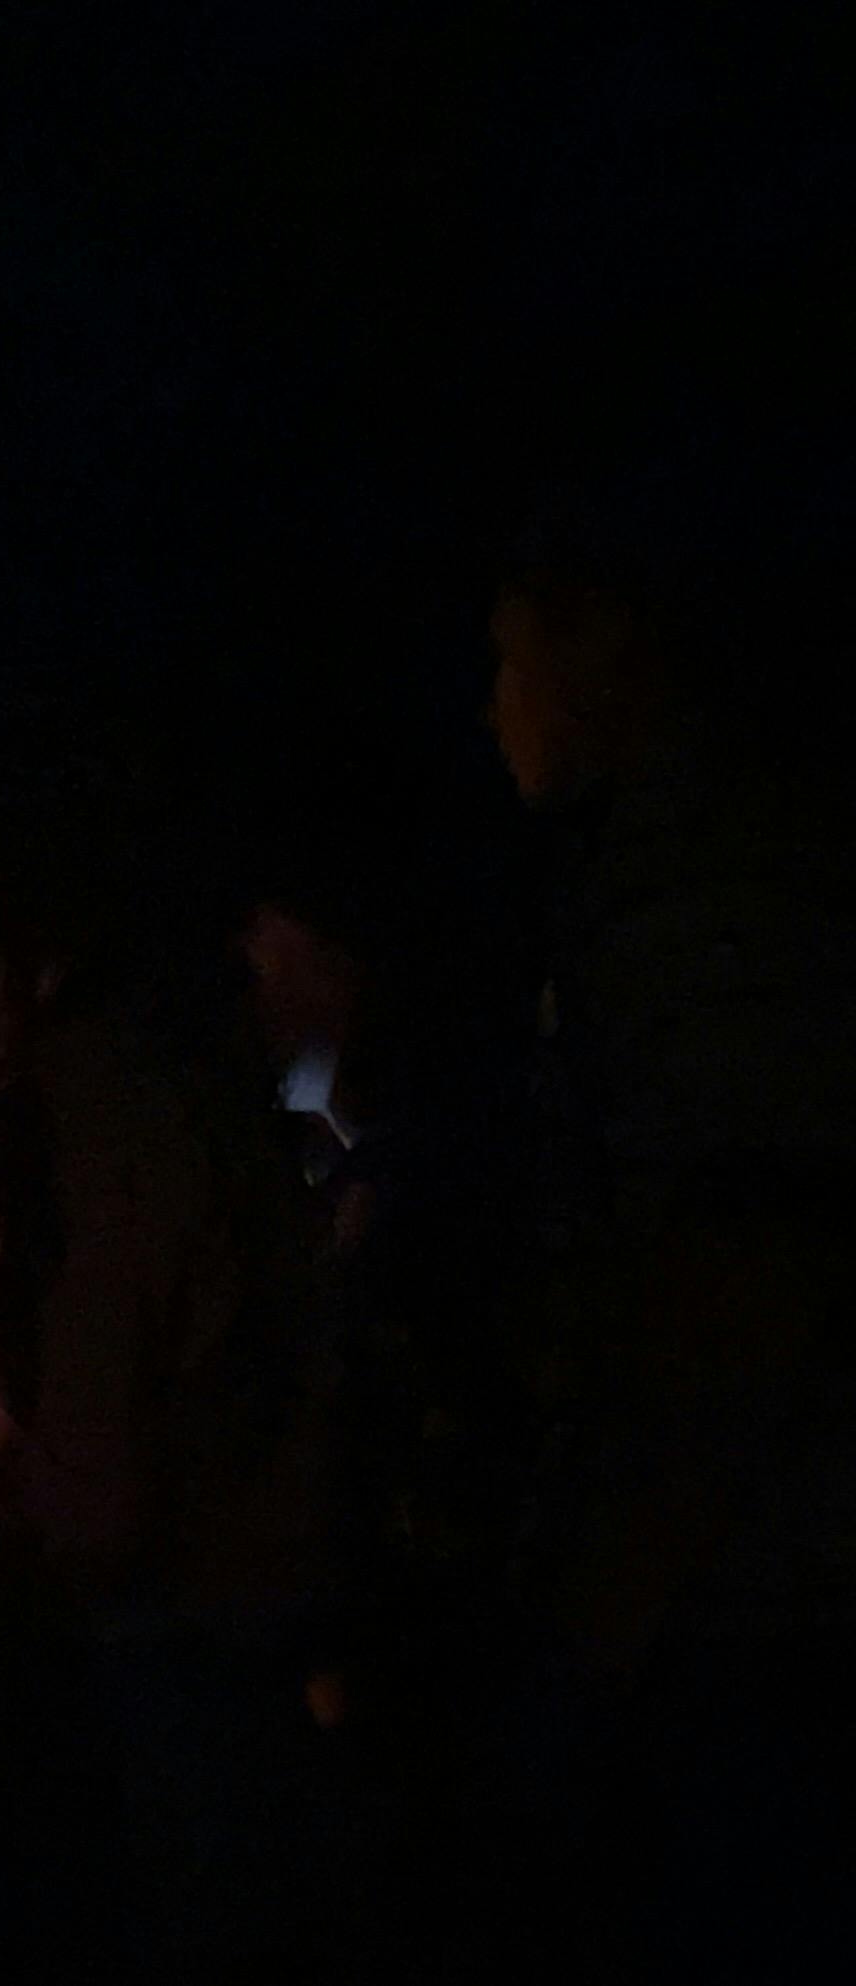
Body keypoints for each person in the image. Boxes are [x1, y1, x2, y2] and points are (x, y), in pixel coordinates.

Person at [0, 723, 346, 1982]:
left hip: (134, 1702)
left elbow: (85, 1496)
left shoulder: (72, 1118)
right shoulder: (100, 1096)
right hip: (202, 1688)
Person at [476, 473, 856, 1979]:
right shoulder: (700, 880)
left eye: (508, 661)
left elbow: (742, 1256)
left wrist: (600, 1620)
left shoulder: (702, 897)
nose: (494, 707)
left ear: (601, 649)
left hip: (749, 1603)